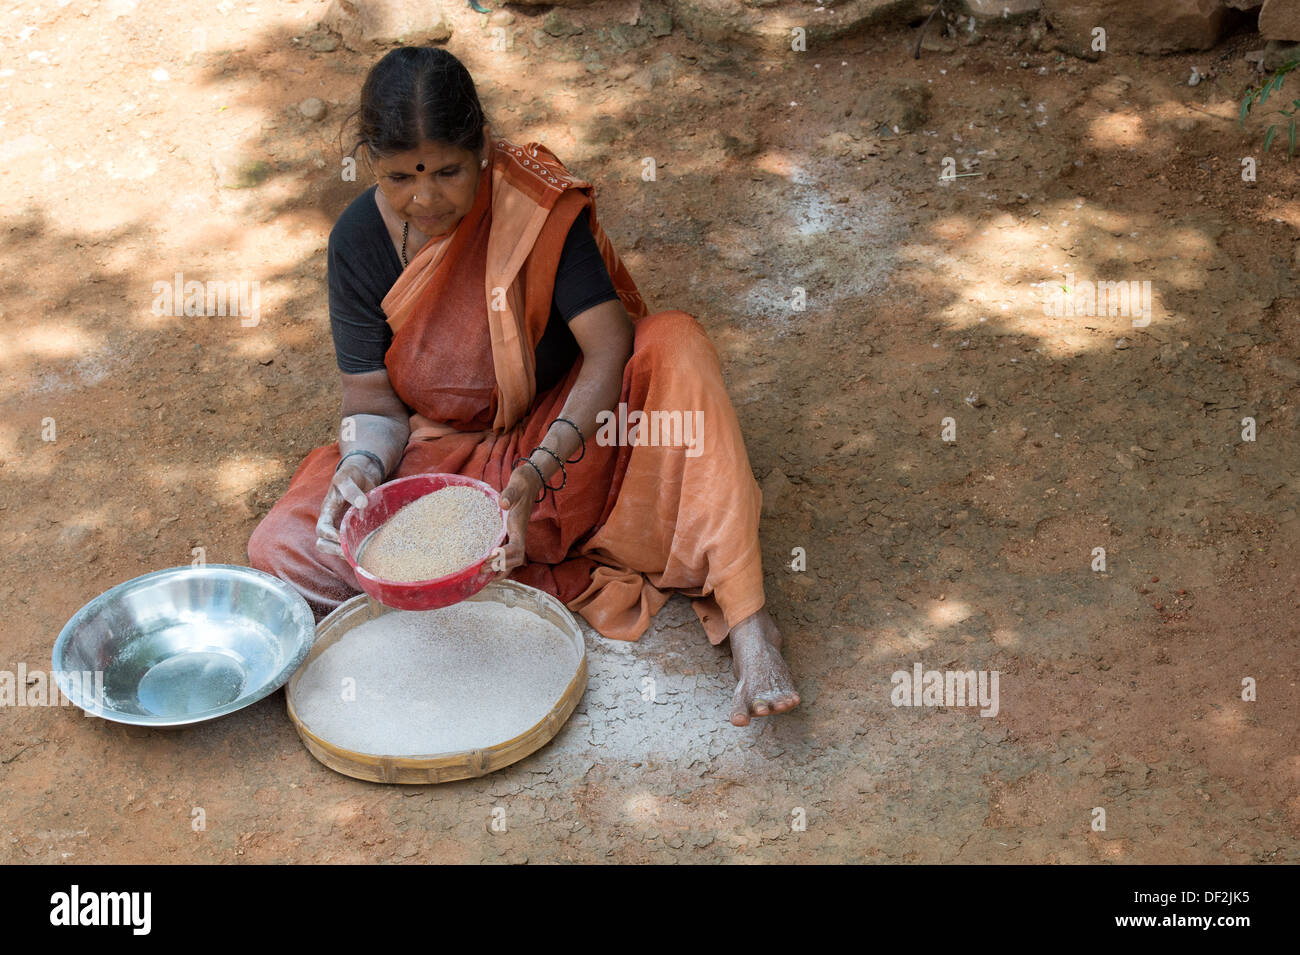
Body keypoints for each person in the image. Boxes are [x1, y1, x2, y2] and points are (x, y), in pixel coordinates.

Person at [247, 47, 798, 726]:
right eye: (400, 178)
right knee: (287, 545)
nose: (427, 197)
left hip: (571, 442)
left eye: (448, 171)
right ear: (370, 163)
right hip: (442, 458)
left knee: (675, 342)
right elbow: (371, 404)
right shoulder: (357, 240)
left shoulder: (534, 210)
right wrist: (361, 466)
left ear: (482, 147)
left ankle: (749, 623)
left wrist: (534, 475)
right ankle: (478, 573)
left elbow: (609, 350)